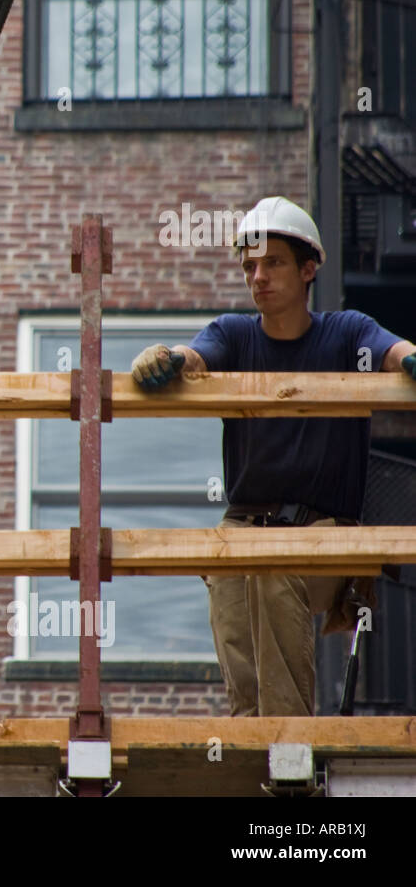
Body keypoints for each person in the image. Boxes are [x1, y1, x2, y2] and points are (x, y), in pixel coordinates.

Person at [130, 196, 416, 716]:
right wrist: (169, 359)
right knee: (226, 570)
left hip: (325, 531)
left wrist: (412, 360)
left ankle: (288, 741)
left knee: (273, 562)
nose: (258, 276)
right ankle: (248, 738)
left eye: (274, 263)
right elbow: (196, 358)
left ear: (308, 269)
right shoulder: (234, 334)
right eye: (249, 266)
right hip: (245, 525)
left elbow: (394, 350)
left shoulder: (346, 332)